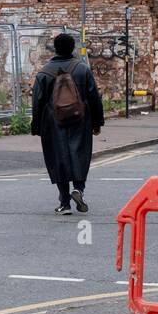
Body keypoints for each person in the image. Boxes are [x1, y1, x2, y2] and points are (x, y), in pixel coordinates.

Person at [31, 34, 104, 214]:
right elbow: (94, 97)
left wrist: (37, 126)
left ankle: (64, 203)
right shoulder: (82, 69)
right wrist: (97, 122)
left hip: (53, 123)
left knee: (58, 159)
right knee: (80, 154)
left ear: (55, 48)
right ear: (72, 48)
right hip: (81, 120)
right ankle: (78, 189)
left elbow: (37, 102)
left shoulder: (44, 72)